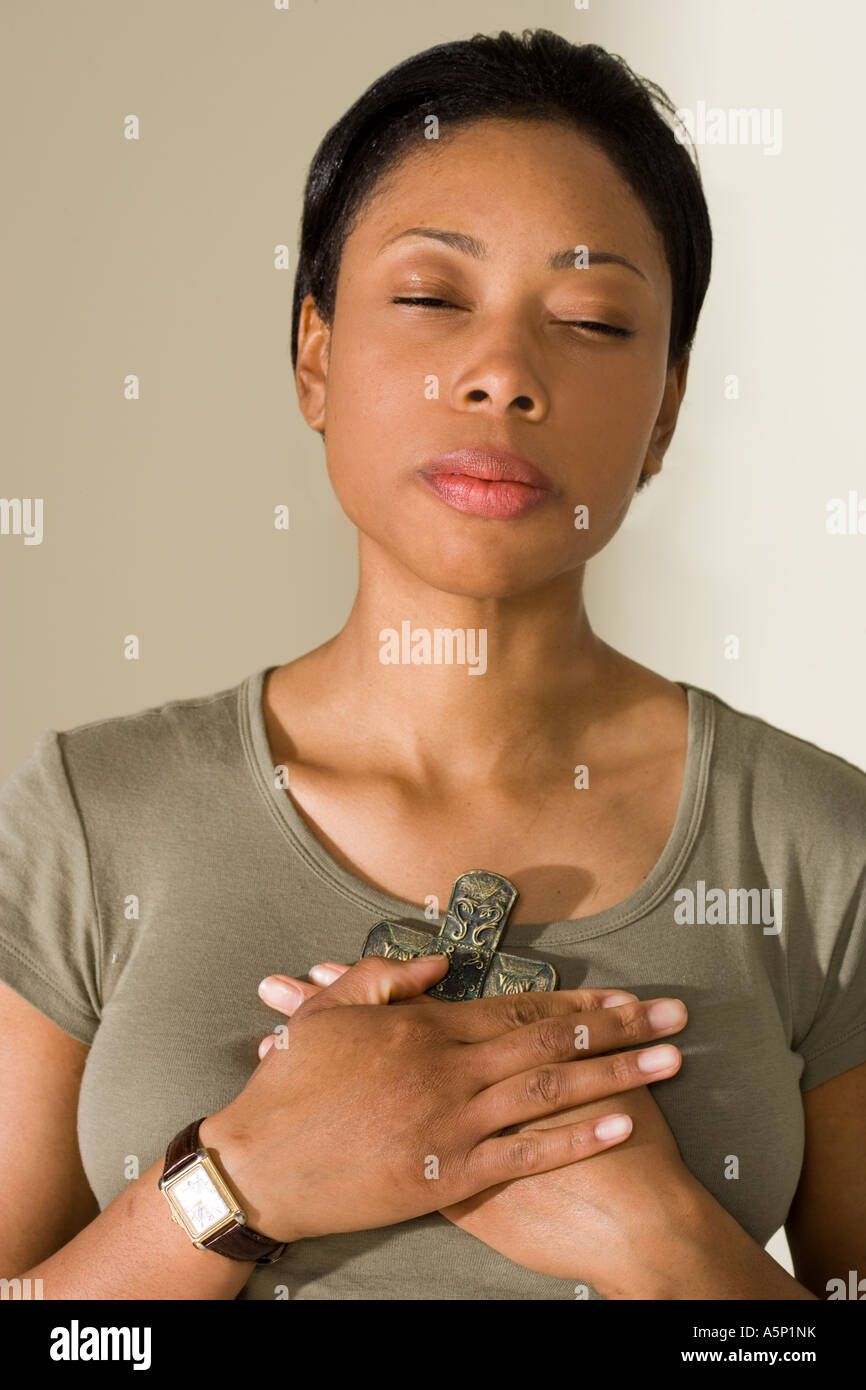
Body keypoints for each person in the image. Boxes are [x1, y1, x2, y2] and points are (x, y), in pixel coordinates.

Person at [1, 28, 863, 1302]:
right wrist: (239, 1185)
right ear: (315, 354)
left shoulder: (811, 842)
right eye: (428, 299)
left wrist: (671, 1251)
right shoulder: (94, 813)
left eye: (588, 318)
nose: (503, 375)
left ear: (665, 412)